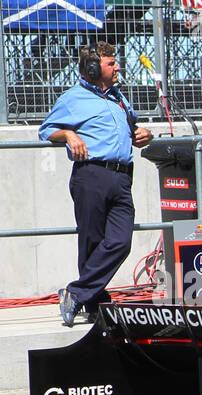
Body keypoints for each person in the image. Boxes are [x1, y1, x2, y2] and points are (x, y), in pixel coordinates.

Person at [38, 41, 152, 327]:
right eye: (111, 64)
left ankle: (76, 293)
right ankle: (92, 302)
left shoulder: (119, 99)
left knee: (120, 241)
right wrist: (68, 135)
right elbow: (46, 130)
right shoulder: (72, 98)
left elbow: (132, 127)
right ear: (92, 68)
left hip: (122, 176)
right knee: (91, 241)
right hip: (92, 175)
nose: (117, 68)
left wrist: (141, 134)